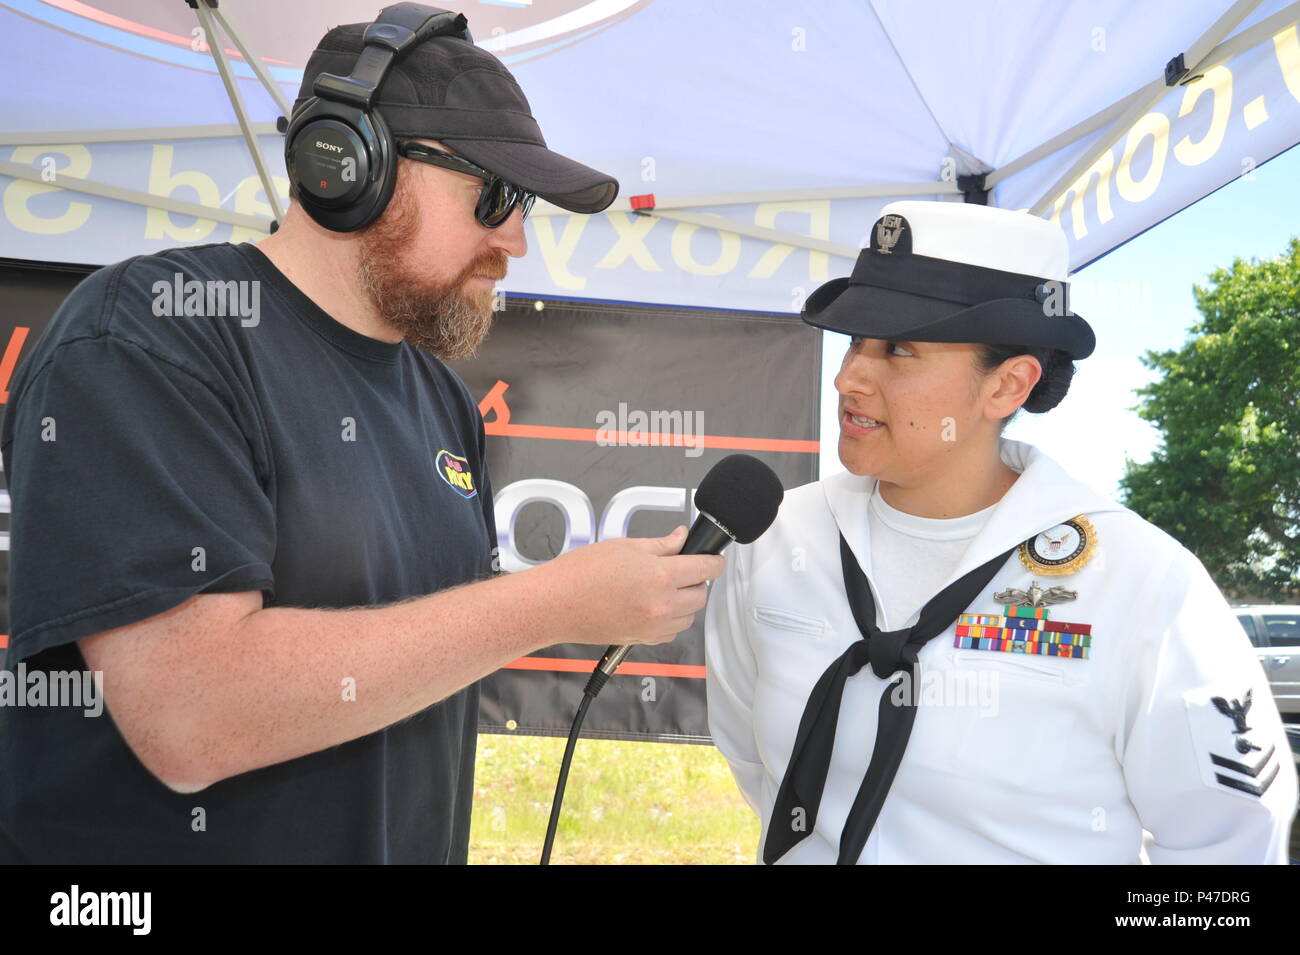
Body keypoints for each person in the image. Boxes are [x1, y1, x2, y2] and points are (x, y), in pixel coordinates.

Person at [0, 5, 722, 864]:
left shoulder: (441, 400)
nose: (516, 239)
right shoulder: (152, 334)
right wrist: (554, 602)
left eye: (523, 203)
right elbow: (190, 716)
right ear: (349, 165)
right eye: (493, 193)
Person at [704, 199, 1299, 864]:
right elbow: (757, 762)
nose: (849, 376)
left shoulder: (1144, 583)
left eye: (898, 348)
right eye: (854, 341)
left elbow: (1231, 849)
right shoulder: (776, 537)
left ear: (1008, 385)